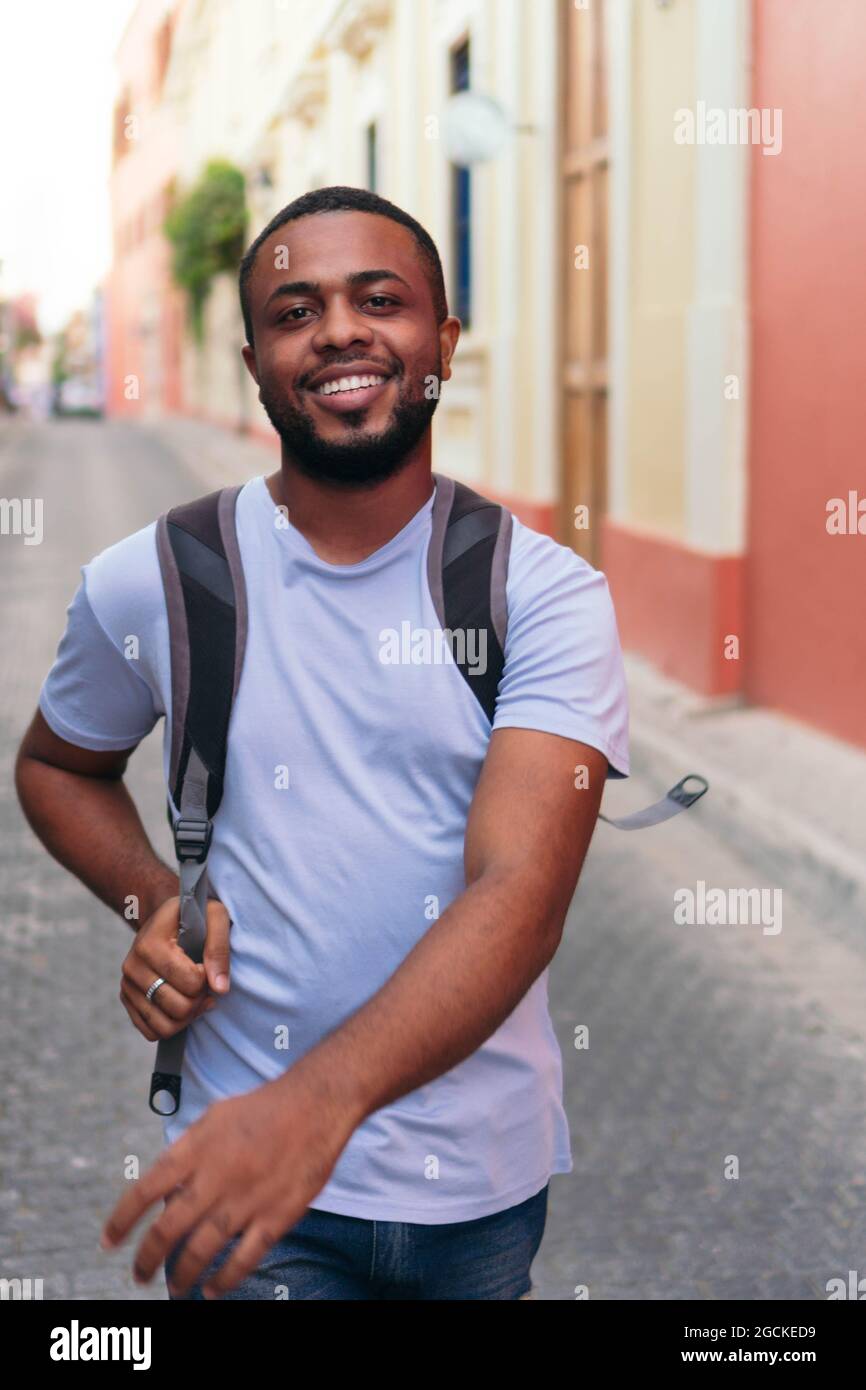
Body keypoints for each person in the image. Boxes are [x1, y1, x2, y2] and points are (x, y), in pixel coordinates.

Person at [15, 186, 630, 1300]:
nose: (340, 328)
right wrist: (154, 897)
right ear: (255, 362)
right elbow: (60, 764)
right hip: (243, 1184)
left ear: (443, 340)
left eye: (379, 299)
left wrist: (308, 1111)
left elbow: (518, 892)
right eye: (296, 310)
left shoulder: (541, 596)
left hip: (474, 1190)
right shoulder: (154, 577)